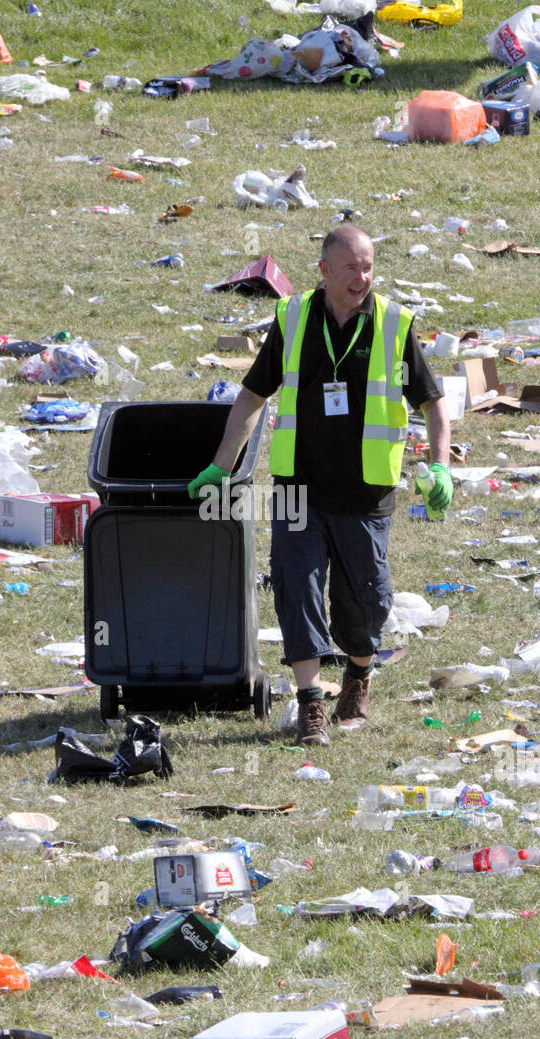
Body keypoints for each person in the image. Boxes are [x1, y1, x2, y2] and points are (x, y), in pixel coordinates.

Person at [188, 225, 452, 747]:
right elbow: (252, 396)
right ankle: (311, 704)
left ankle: (358, 674)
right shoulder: (292, 318)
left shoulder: (393, 324)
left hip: (365, 494)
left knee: (367, 604)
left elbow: (433, 403)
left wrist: (441, 467)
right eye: (351, 268)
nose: (362, 277)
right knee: (296, 588)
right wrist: (221, 467)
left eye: (368, 267)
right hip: (299, 488)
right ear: (325, 270)